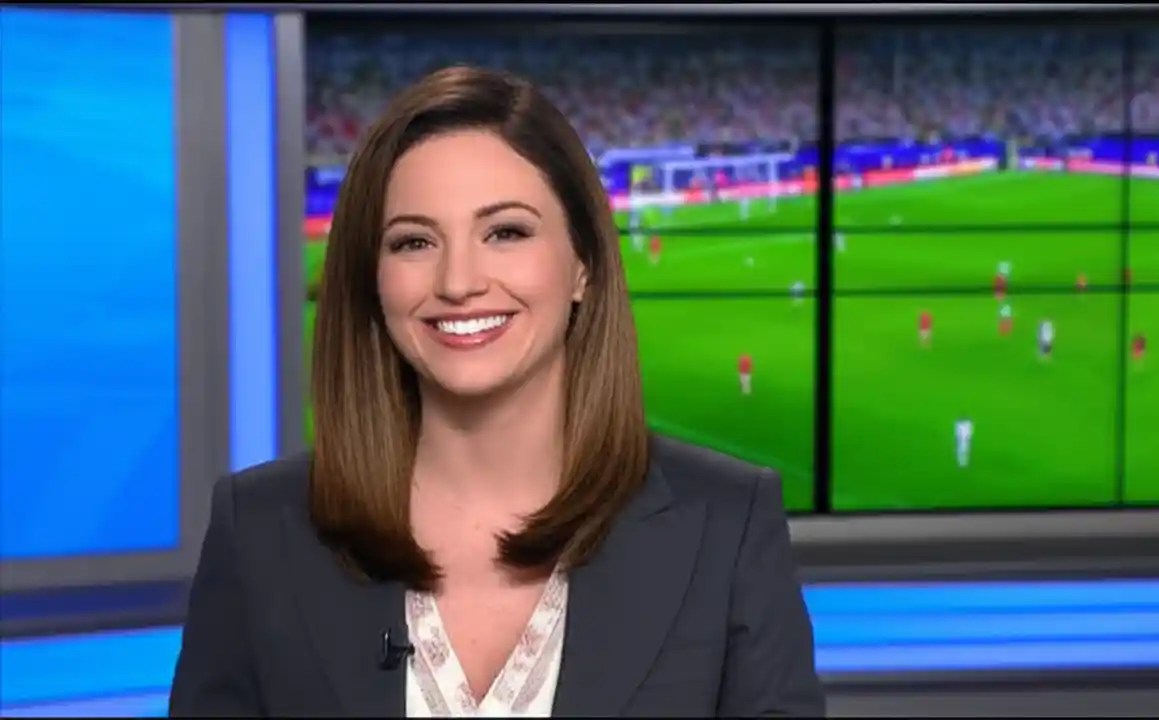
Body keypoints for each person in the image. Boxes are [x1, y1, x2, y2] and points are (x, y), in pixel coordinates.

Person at [169, 66, 824, 719]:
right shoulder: (256, 531)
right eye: (414, 241)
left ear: (583, 267)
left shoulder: (728, 527)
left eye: (505, 232)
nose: (458, 281)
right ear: (373, 281)